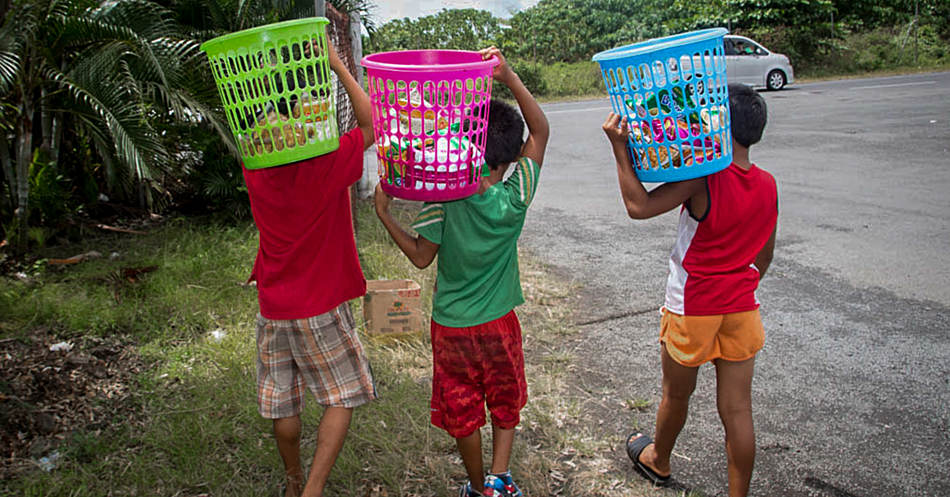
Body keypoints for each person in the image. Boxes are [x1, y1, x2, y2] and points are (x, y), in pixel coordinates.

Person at [373, 46, 549, 497]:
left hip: (451, 326)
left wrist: (385, 214)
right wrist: (507, 75)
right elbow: (541, 129)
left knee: (463, 408)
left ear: (466, 142)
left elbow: (420, 256)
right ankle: (502, 475)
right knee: (505, 398)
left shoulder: (443, 199)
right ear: (508, 161)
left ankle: (477, 487)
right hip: (500, 323)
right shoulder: (514, 199)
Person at [601, 83, 777, 497]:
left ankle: (658, 461)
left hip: (693, 307)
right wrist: (738, 286)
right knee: (737, 410)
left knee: (675, 395)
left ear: (721, 124)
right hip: (742, 307)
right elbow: (763, 257)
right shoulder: (768, 184)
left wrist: (619, 149)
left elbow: (638, 207)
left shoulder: (706, 176)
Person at [243, 36, 378, 497]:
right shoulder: (324, 165)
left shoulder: (255, 171)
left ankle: (293, 478)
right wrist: (338, 66)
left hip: (273, 305)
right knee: (343, 394)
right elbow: (372, 123)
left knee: (284, 400)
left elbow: (270, 131)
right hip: (318, 304)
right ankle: (312, 491)